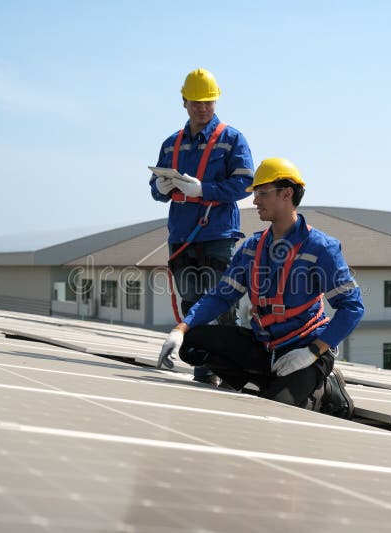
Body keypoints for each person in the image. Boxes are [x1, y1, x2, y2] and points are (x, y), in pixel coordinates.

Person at [157, 158, 365, 418]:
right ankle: (273, 383)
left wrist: (313, 350)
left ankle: (321, 385)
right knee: (192, 344)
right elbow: (221, 296)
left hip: (304, 350)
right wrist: (181, 328)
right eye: (255, 194)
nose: (255, 201)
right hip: (263, 346)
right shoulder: (252, 248)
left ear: (287, 194)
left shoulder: (321, 248)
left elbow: (352, 308)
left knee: (271, 409)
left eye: (262, 193)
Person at [150, 68, 254, 387]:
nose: (202, 108)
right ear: (184, 102)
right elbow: (155, 190)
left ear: (215, 101)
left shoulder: (231, 139)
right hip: (182, 236)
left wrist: (204, 190)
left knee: (222, 304)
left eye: (208, 102)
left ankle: (231, 369)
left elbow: (245, 185)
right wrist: (162, 188)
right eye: (196, 102)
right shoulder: (172, 144)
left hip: (218, 235)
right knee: (190, 303)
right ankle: (204, 370)